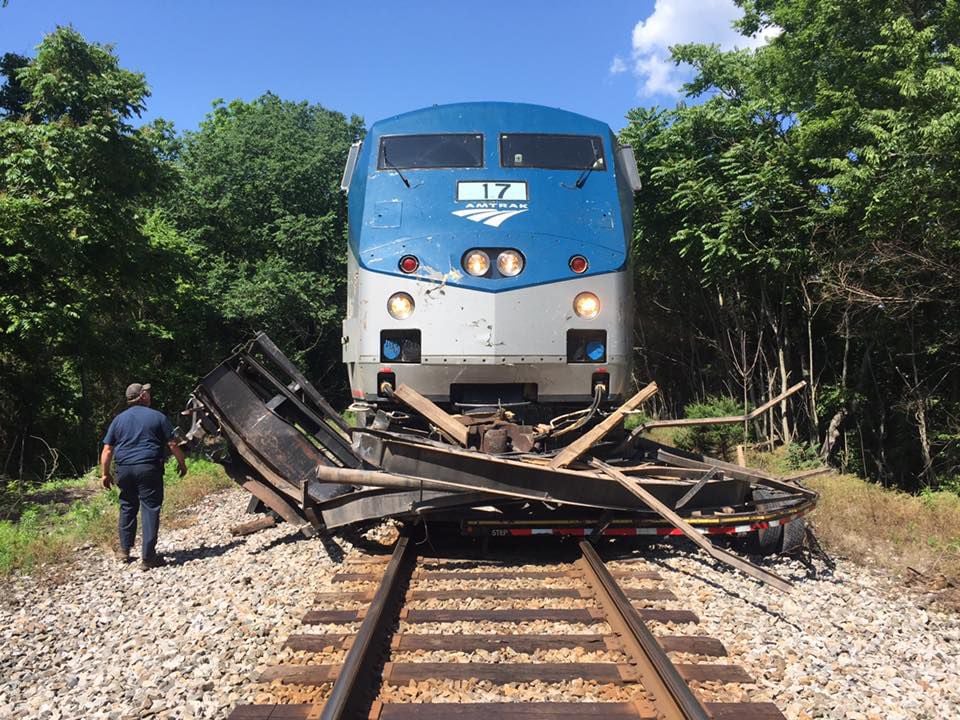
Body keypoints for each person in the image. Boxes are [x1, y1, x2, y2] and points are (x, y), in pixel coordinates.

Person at [99, 382, 188, 568]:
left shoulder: (118, 420)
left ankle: (124, 551)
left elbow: (107, 450)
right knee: (150, 508)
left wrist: (105, 474)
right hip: (148, 467)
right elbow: (172, 445)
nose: (149, 394)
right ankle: (148, 558)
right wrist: (182, 463)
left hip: (123, 469)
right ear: (143, 397)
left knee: (127, 505)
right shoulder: (157, 417)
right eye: (147, 392)